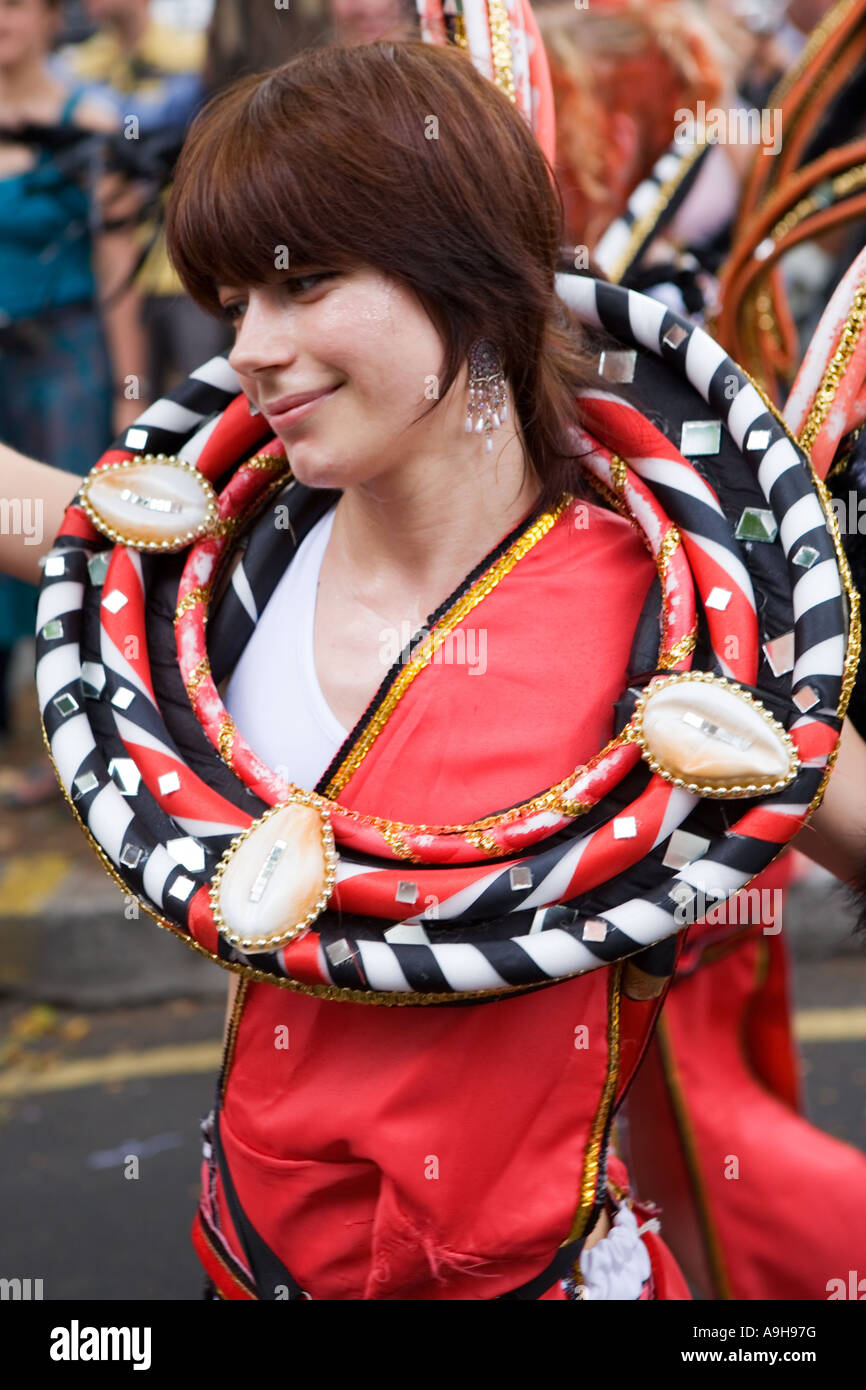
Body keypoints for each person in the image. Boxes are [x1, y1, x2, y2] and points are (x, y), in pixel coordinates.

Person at [2, 38, 865, 1301]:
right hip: (246, 1265)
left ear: (466, 275)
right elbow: (38, 511)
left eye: (301, 287)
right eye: (234, 300)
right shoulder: (195, 570)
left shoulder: (683, 638)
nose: (248, 345)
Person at [0, 0, 146, 800]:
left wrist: (131, 397)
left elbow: (117, 263)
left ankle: (80, 751)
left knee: (65, 545)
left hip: (63, 362)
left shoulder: (87, 118)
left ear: (54, 17)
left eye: (19, 3)